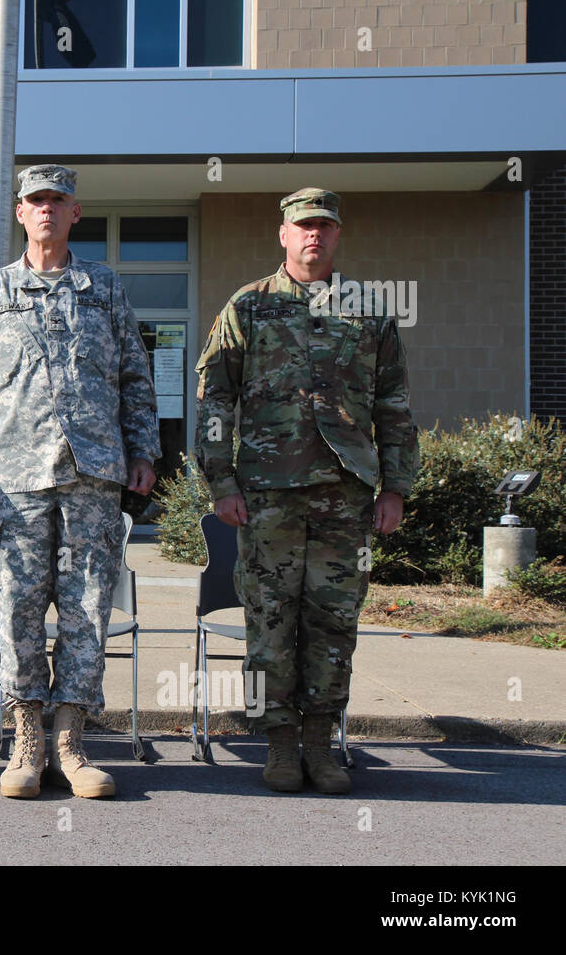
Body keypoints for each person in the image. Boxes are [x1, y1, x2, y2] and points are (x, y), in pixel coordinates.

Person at [0, 164, 160, 799]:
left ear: (75, 212)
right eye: (35, 200)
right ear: (19, 213)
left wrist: (143, 451)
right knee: (19, 611)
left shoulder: (104, 290)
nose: (46, 210)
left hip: (94, 477)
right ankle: (26, 742)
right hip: (16, 479)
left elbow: (135, 381)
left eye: (57, 200)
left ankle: (72, 743)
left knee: (88, 609)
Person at [193, 187, 419, 795]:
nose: (313, 235)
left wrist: (394, 488)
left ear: (338, 235)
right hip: (268, 493)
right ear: (284, 235)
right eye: (303, 226)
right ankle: (280, 744)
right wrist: (220, 482)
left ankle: (322, 743)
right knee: (269, 619)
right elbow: (215, 402)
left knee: (333, 621)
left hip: (346, 495)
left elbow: (394, 408)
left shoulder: (369, 312)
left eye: (324, 225)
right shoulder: (248, 307)